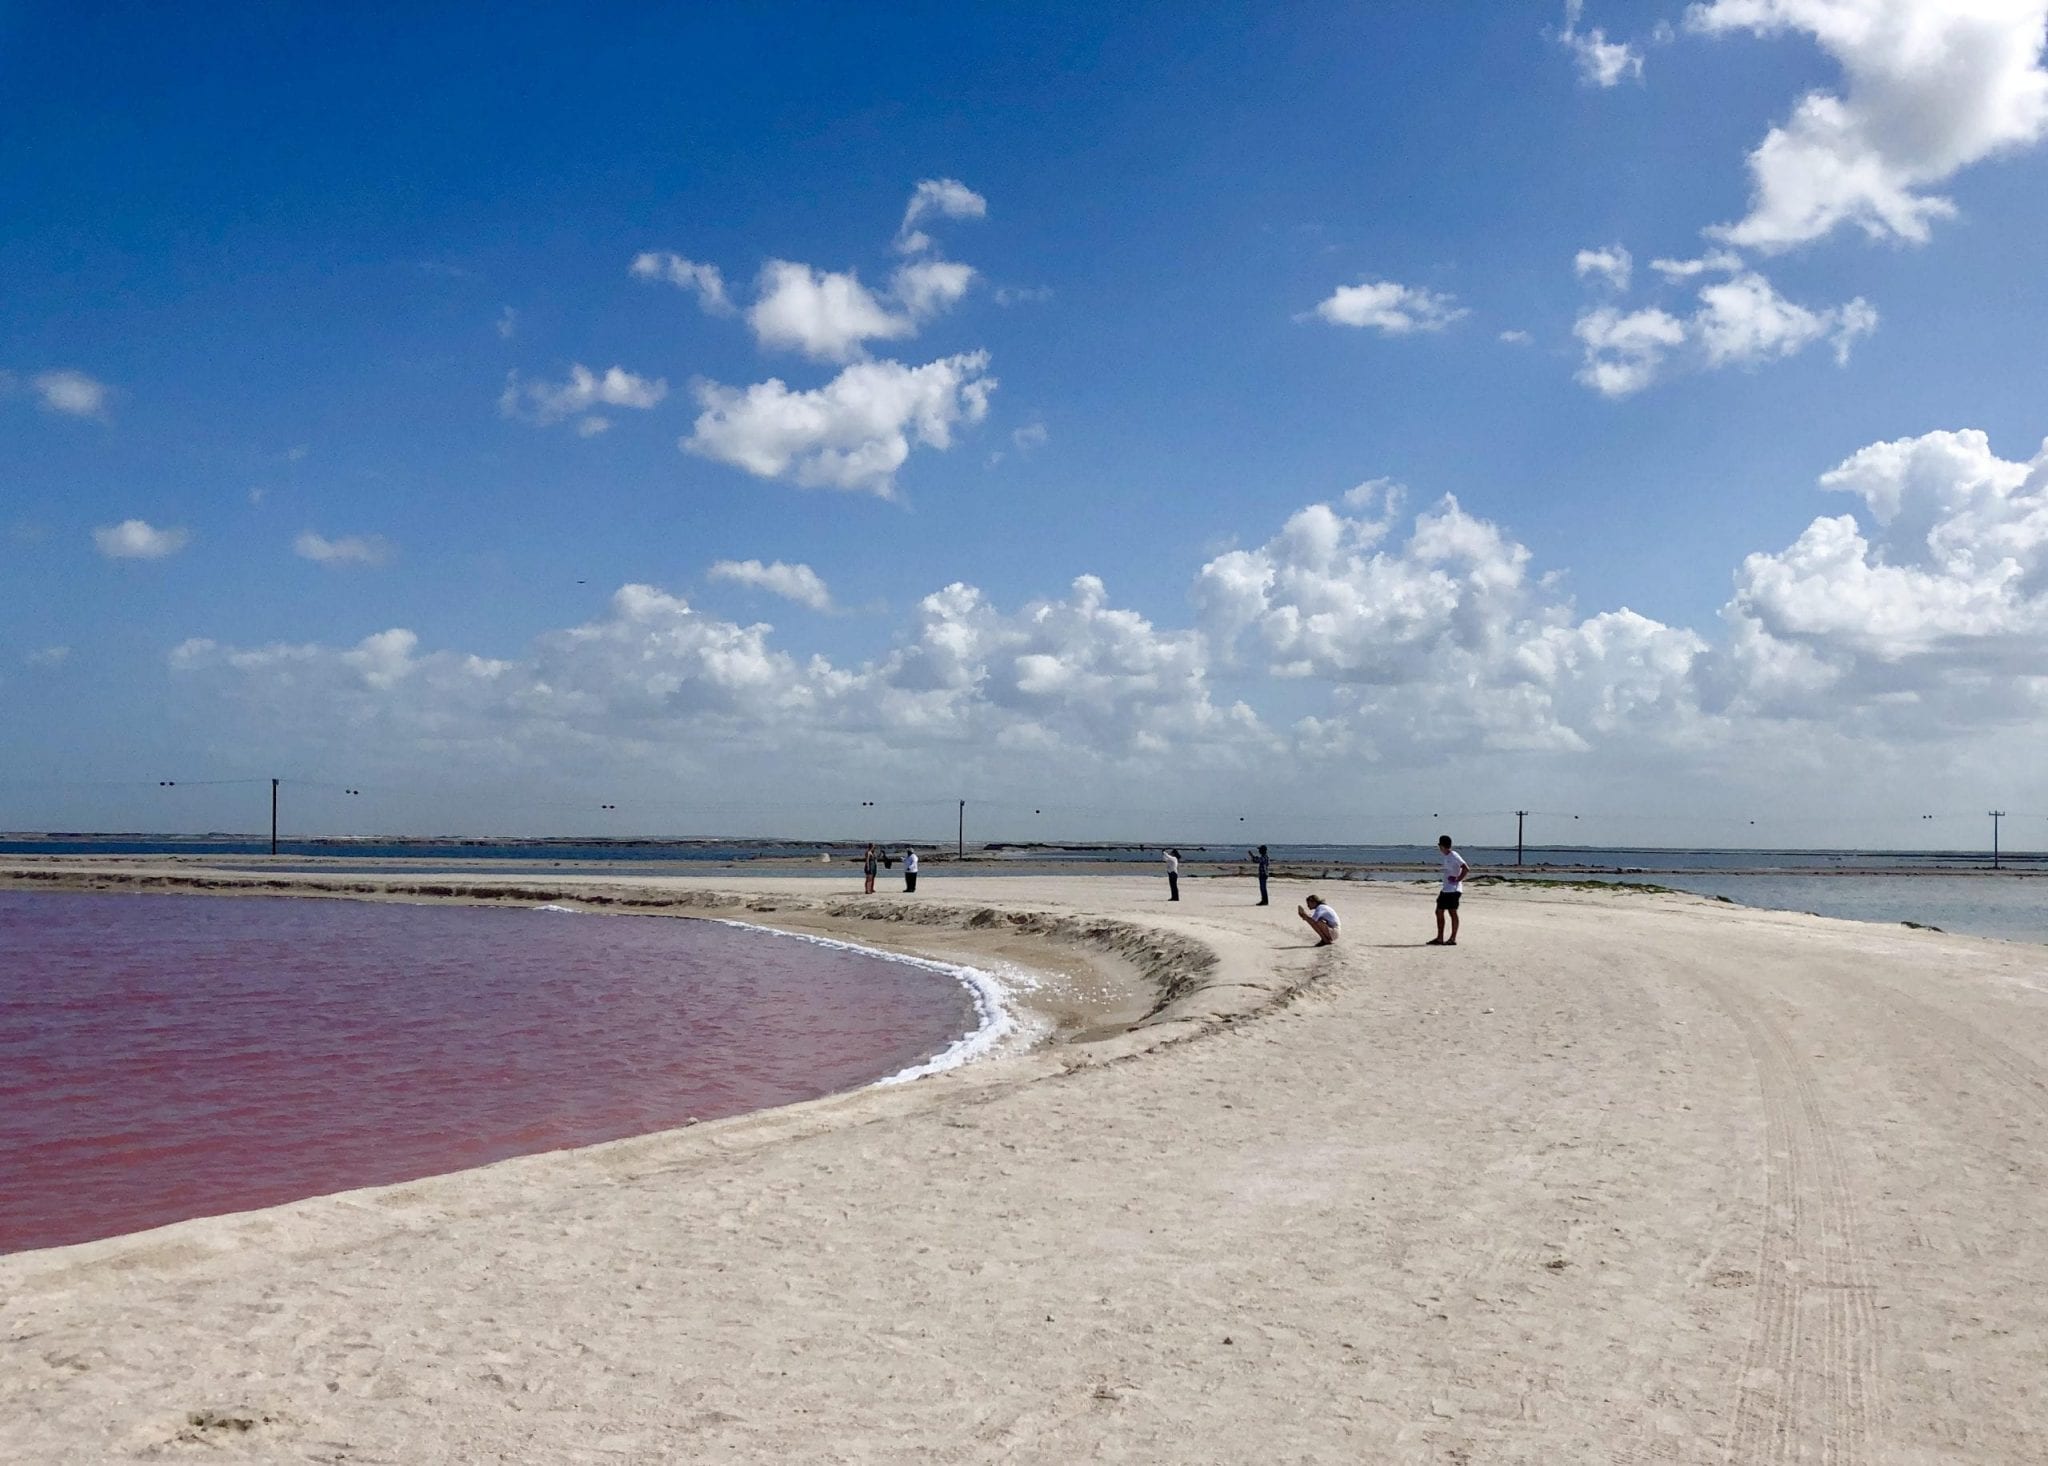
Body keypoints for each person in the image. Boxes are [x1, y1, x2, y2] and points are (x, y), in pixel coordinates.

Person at [1430, 835, 1469, 945]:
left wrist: (1458, 879)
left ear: (1442, 846)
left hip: (1454, 890)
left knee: (1452, 912)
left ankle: (1452, 938)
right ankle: (1440, 938)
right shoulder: (1447, 856)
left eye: (1439, 845)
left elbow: (1466, 868)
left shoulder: (1454, 855)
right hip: (1446, 889)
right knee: (1439, 911)